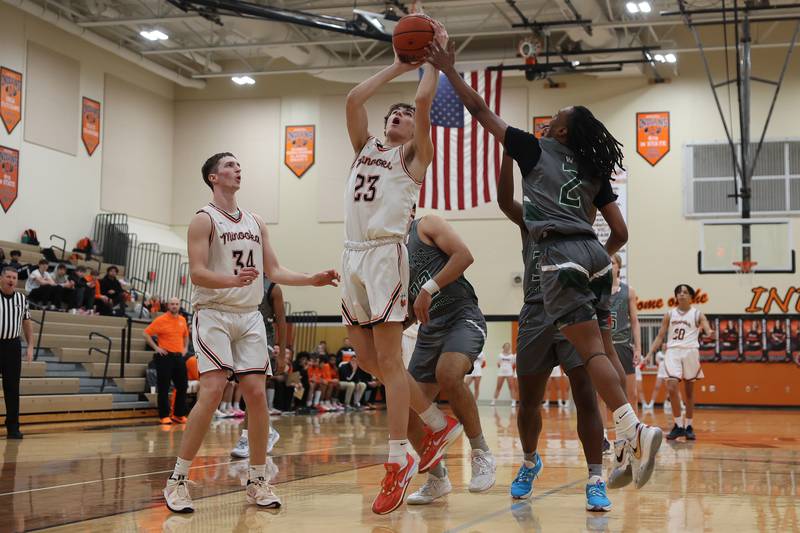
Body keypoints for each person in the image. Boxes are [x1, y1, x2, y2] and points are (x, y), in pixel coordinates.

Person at [428, 40, 662, 490]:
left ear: (558, 133)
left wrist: (449, 71)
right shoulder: (593, 168)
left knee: (593, 355)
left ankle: (631, 430)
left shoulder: (536, 148)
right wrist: (595, 259)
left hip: (561, 262)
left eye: (557, 115)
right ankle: (625, 440)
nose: (551, 115)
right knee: (606, 353)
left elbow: (477, 108)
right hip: (595, 257)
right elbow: (621, 233)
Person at [163, 151, 339, 514]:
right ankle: (178, 480)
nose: (237, 169)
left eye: (238, 165)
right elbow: (196, 272)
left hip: (249, 316)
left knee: (257, 395)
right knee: (211, 391)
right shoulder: (203, 220)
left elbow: (273, 268)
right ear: (213, 177)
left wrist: (310, 279)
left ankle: (258, 480)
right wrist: (232, 279)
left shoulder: (256, 221)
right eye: (229, 165)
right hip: (214, 313)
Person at [340, 26, 462, 515]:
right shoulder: (366, 148)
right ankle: (434, 422)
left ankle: (398, 461)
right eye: (395, 112)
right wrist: (396, 63)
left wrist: (429, 63)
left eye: (406, 115)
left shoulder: (414, 157)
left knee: (390, 363)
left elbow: (425, 102)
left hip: (385, 254)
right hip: (350, 255)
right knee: (368, 359)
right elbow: (353, 99)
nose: (400, 115)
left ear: (415, 131)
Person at [497, 152, 610, 511]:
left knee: (586, 397)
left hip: (575, 312)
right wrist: (509, 151)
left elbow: (611, 235)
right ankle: (530, 461)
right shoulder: (533, 222)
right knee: (528, 402)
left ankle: (595, 477)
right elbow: (503, 201)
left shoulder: (584, 221)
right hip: (535, 313)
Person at [402, 211, 496, 504]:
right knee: (405, 407)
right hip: (429, 328)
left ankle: (481, 453)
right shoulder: (389, 251)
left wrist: (429, 288)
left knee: (449, 373)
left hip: (462, 315)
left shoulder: (426, 225)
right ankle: (437, 479)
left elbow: (464, 256)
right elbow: (408, 307)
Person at [646, 285, 715, 441]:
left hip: (691, 351)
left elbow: (707, 328)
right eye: (679, 292)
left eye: (685, 292)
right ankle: (678, 426)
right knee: (671, 385)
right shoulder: (669, 315)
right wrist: (649, 354)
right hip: (673, 352)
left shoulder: (697, 314)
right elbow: (660, 336)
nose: (682, 294)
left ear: (691, 297)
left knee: (689, 391)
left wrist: (711, 333)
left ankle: (689, 425)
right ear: (676, 297)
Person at [231, 275, 287, 458]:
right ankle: (268, 431)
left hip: (264, 340)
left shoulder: (273, 288)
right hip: (240, 336)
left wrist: (283, 354)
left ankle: (247, 437)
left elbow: (281, 321)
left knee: (253, 388)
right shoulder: (236, 278)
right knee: (250, 391)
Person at [143, 297, 190, 424]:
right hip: (165, 357)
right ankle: (164, 415)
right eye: (172, 304)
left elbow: (186, 335)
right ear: (168, 306)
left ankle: (178, 414)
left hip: (178, 356)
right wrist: (156, 348)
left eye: (176, 304)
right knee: (163, 387)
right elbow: (146, 333)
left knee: (183, 386)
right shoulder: (161, 320)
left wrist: (185, 348)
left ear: (179, 305)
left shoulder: (182, 320)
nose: (174, 306)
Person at [0, 267, 34, 439]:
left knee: (12, 388)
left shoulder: (21, 298)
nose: (11, 280)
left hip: (12, 347)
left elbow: (26, 322)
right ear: (1, 278)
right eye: (8, 276)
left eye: (14, 277)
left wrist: (30, 346)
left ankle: (13, 427)